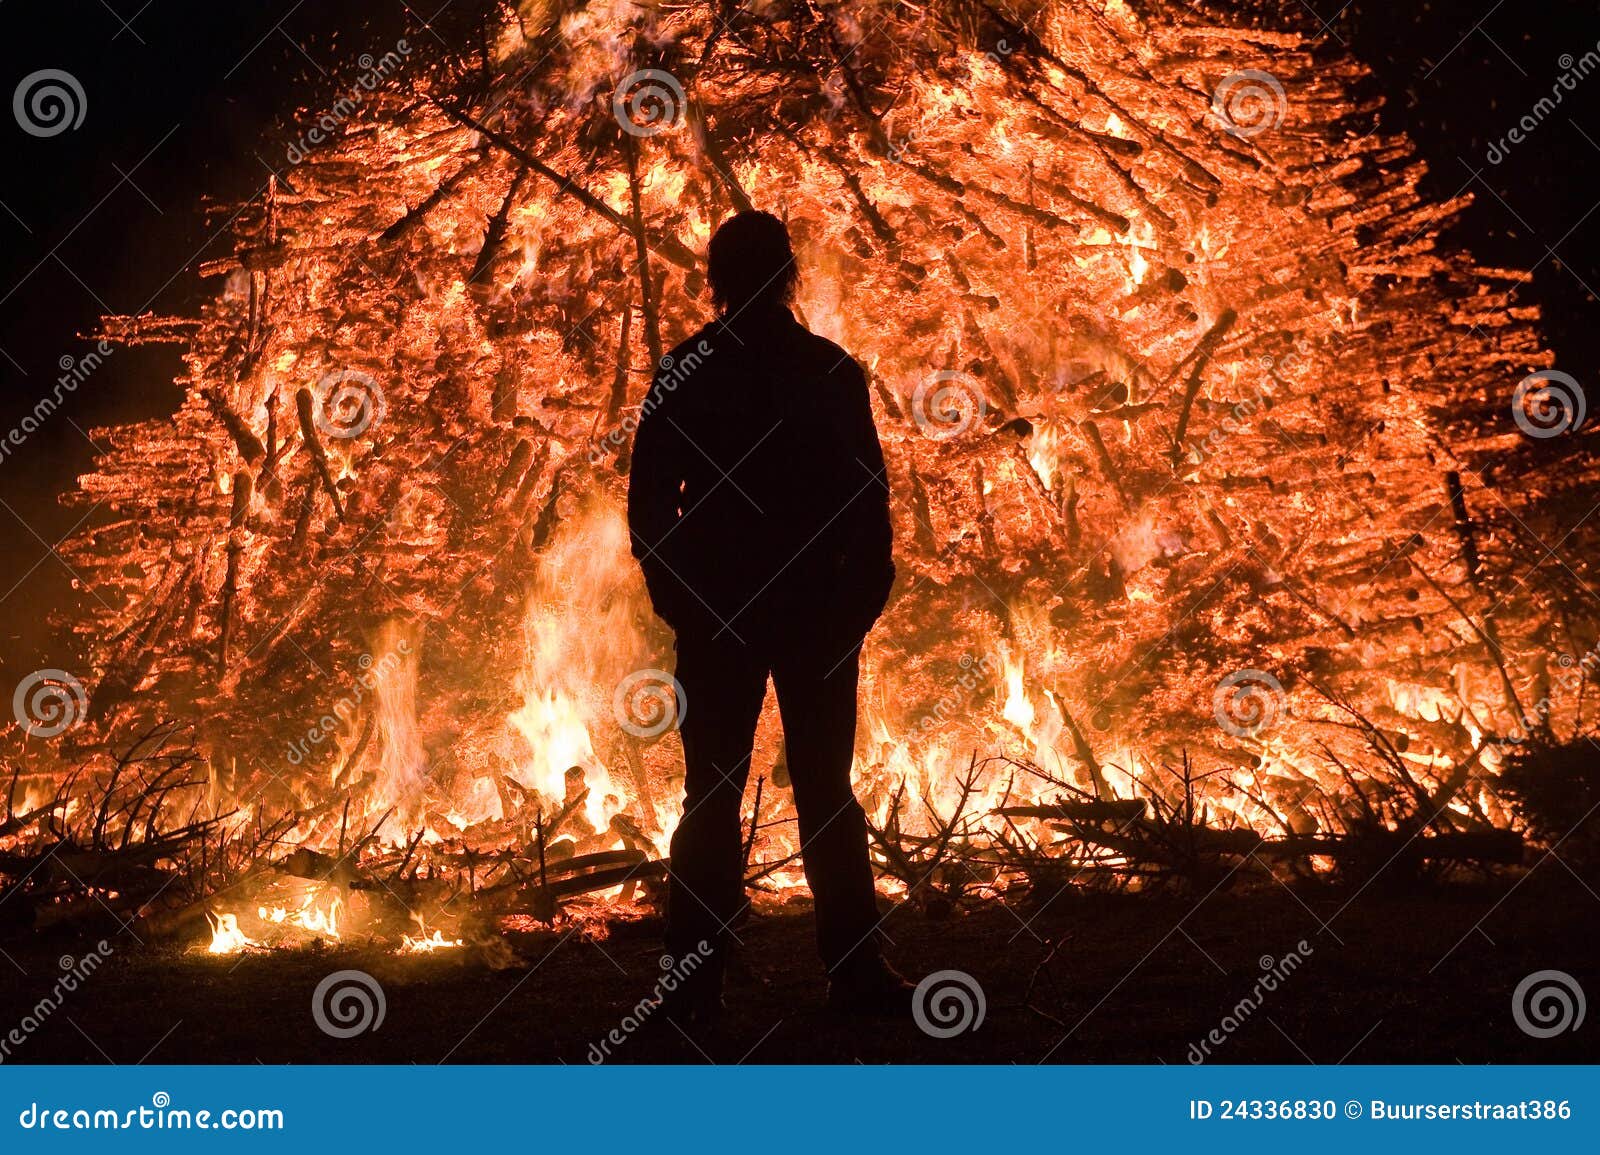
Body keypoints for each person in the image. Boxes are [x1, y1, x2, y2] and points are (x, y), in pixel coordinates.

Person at [627, 210, 909, 1021]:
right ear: (790, 274)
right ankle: (856, 975)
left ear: (715, 279)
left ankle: (691, 989)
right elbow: (869, 508)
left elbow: (649, 510)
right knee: (825, 791)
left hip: (723, 610)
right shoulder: (827, 369)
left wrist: (680, 598)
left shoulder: (687, 372)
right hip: (811, 609)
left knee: (711, 795)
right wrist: (853, 608)